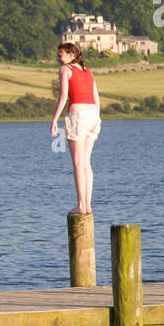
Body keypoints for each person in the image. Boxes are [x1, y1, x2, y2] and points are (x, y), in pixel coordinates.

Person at [49, 42, 100, 214]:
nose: (58, 58)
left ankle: (81, 205)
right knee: (86, 163)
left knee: (78, 163)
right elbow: (96, 97)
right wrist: (97, 121)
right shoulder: (88, 71)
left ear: (71, 55)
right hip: (93, 116)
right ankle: (88, 205)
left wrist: (55, 119)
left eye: (61, 55)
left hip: (78, 115)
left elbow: (63, 96)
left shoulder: (66, 69)